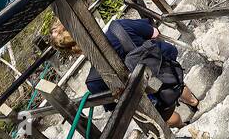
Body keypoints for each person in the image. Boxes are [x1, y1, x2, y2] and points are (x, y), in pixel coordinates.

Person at [45, 18, 199, 127]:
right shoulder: (118, 27)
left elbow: (114, 107)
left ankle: (183, 126)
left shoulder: (93, 81)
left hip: (150, 101)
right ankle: (194, 103)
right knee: (177, 86)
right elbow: (154, 32)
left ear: (74, 52)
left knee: (166, 117)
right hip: (165, 74)